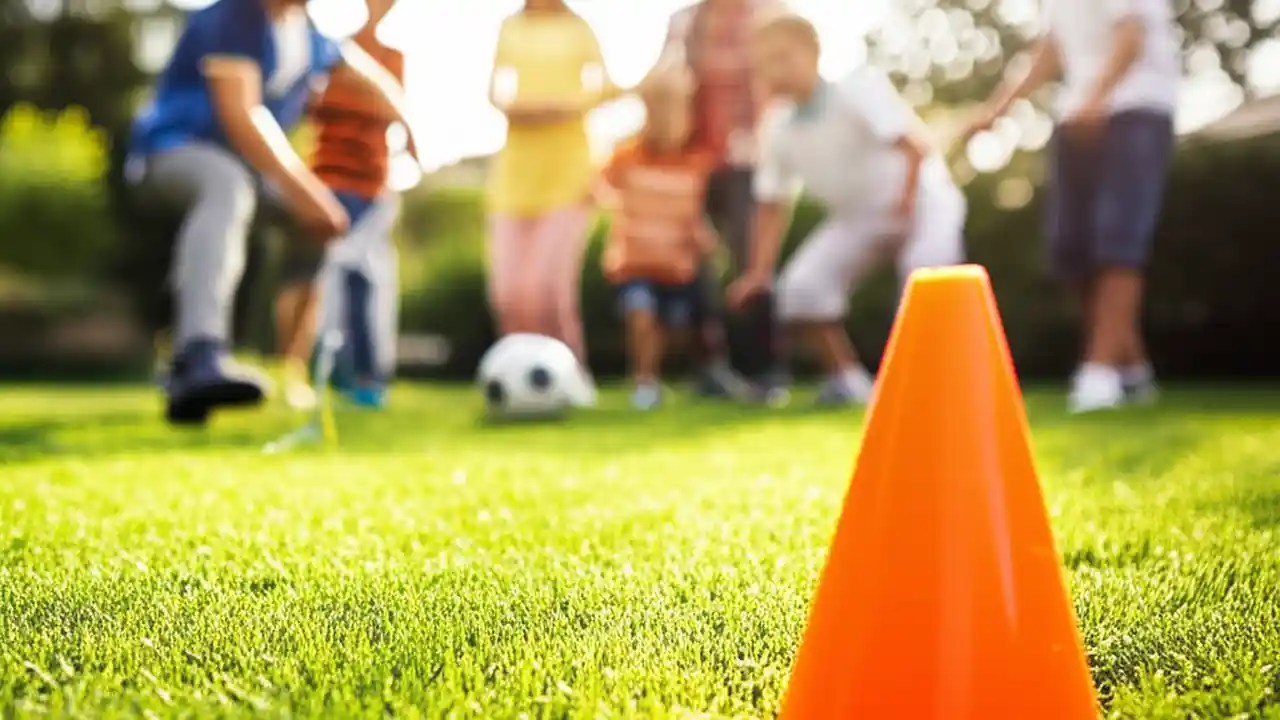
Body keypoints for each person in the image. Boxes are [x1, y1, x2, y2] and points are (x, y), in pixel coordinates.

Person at [125, 0, 418, 425]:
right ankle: (198, 355)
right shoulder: (233, 16)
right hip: (171, 151)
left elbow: (371, 79)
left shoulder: (311, 36)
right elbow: (242, 116)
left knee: (318, 225)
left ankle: (288, 365)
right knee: (228, 187)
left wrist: (409, 126)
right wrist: (306, 189)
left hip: (246, 171)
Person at [728, 13, 966, 407]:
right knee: (801, 291)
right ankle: (850, 382)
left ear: (814, 53)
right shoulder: (776, 126)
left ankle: (938, 386)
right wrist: (758, 272)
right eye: (765, 62)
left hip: (922, 202)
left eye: (783, 57)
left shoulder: (857, 88)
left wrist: (906, 202)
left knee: (928, 275)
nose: (774, 70)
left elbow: (914, 146)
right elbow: (772, 203)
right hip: (859, 217)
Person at [958, 0, 1178, 413]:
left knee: (1118, 241)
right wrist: (995, 111)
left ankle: (1098, 372)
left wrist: (1096, 96)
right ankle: (1131, 369)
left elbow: (1131, 35)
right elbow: (1049, 51)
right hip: (1076, 114)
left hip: (1135, 110)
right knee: (1070, 248)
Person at [285, 0, 412, 411]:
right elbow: (308, 106)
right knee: (319, 278)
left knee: (362, 278)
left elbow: (396, 111)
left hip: (371, 186)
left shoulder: (394, 57)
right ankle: (308, 370)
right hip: (326, 182)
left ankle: (365, 377)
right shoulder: (331, 50)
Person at [486, 0, 623, 370]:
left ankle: (569, 375)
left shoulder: (579, 28)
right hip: (515, 175)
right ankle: (516, 373)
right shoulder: (510, 27)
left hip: (569, 174)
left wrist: (560, 108)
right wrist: (519, 109)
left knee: (548, 293)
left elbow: (607, 88)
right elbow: (495, 91)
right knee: (511, 296)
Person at [663, 0, 784, 402]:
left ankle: (765, 370)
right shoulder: (684, 22)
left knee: (751, 261)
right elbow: (668, 83)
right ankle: (710, 368)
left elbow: (777, 82)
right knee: (695, 263)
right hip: (695, 161)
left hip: (749, 160)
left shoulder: (766, 13)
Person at [597, 65, 719, 410]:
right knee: (641, 316)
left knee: (674, 329)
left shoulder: (696, 163)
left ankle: (676, 376)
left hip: (676, 266)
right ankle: (644, 382)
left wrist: (702, 238)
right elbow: (596, 188)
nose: (667, 120)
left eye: (676, 110)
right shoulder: (626, 157)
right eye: (657, 109)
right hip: (633, 263)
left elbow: (692, 214)